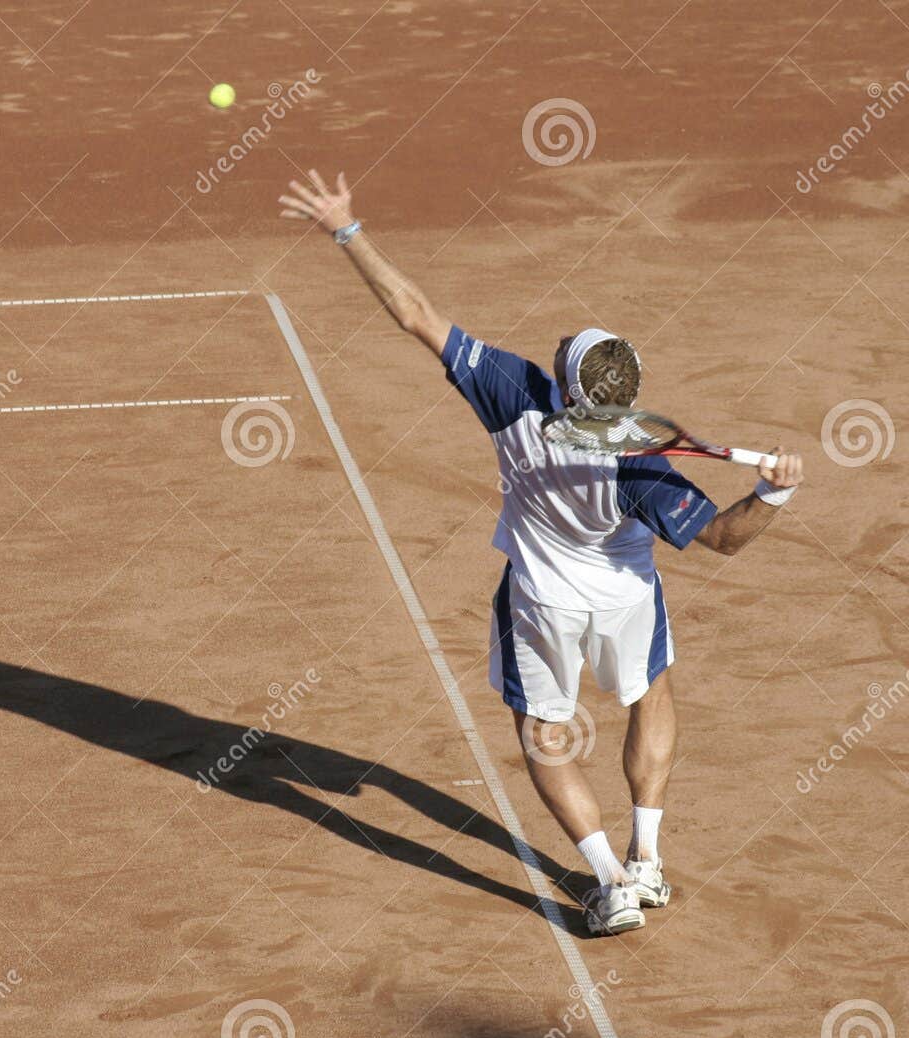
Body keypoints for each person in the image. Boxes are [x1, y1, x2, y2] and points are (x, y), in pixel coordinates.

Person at [279, 170, 804, 935]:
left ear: (566, 386)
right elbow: (723, 537)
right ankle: (647, 858)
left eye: (566, 349)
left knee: (544, 736)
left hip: (540, 606)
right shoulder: (642, 463)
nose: (556, 342)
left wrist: (347, 230)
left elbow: (414, 313)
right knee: (650, 697)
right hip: (625, 599)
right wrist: (777, 493)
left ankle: (610, 881)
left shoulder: (513, 391)